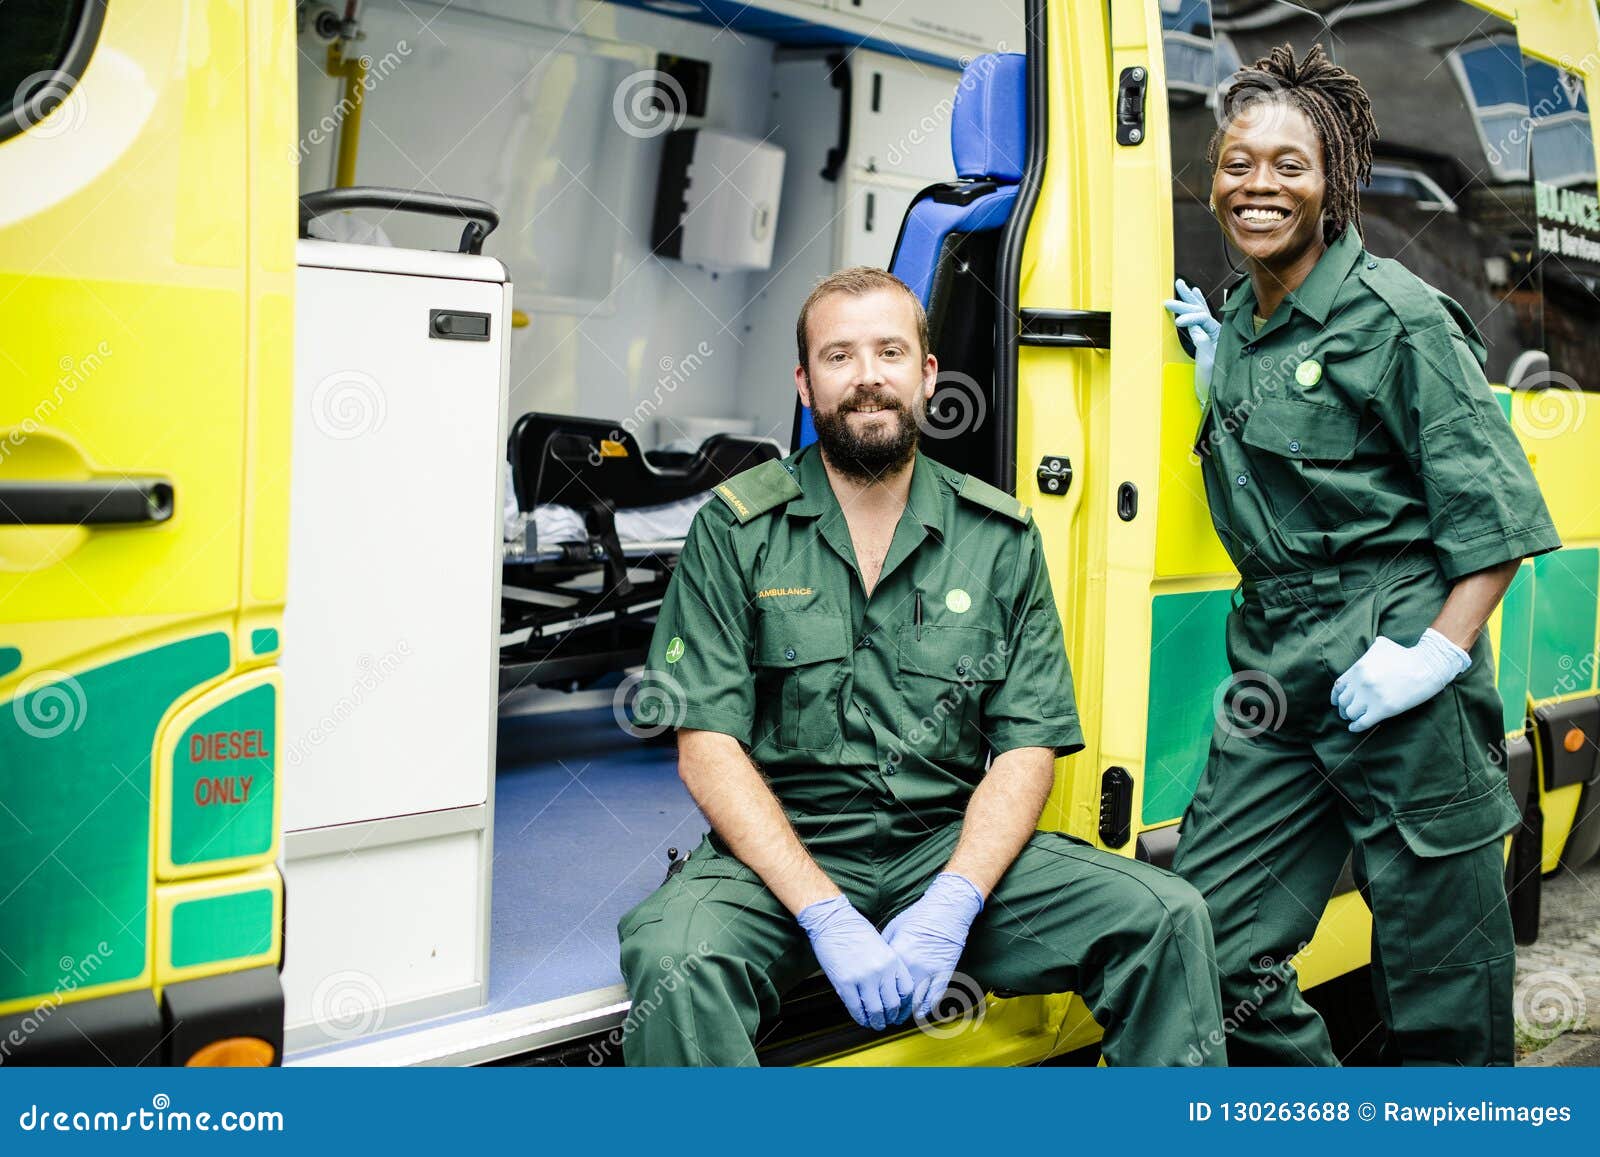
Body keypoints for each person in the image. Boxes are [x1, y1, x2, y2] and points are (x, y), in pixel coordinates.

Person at [617, 267, 1224, 1066]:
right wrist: (825, 911)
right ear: (805, 383)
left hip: (945, 844)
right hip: (779, 856)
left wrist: (958, 897)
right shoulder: (736, 530)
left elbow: (1025, 748)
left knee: (1166, 914)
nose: (867, 376)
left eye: (890, 352)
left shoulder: (999, 536)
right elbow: (707, 746)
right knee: (673, 958)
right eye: (839, 356)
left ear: (928, 374)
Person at [1164, 44, 1561, 1065]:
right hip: (1277, 672)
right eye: (1236, 162)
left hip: (1396, 656)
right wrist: (1218, 365)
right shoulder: (1246, 322)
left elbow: (1497, 517)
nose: (1256, 184)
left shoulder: (1399, 315)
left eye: (1288, 165)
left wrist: (1430, 656)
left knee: (1441, 992)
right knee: (1201, 948)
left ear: (1334, 182)